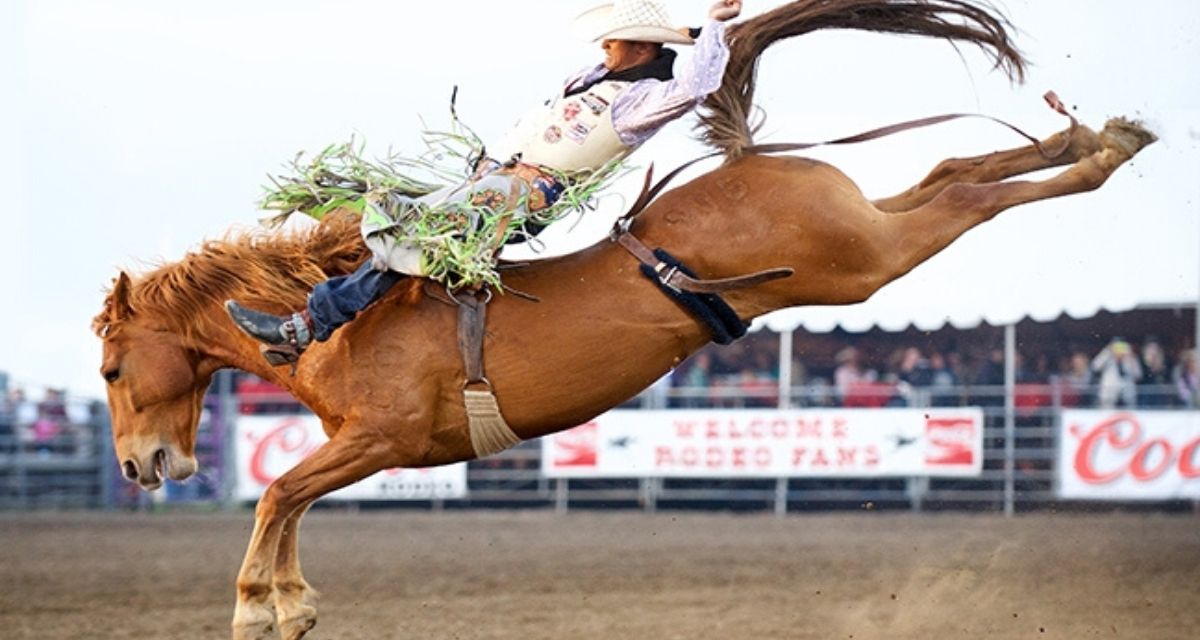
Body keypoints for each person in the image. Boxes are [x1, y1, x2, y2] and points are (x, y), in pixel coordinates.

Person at [226, 0, 744, 365]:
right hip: (492, 184)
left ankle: (309, 325)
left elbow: (697, 84)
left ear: (641, 48)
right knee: (377, 207)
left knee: (418, 234)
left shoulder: (642, 101)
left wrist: (713, 27)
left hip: (524, 197)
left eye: (615, 38)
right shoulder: (593, 79)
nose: (604, 43)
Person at [1091, 337, 1142, 409]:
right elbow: (1095, 366)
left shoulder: (1130, 358)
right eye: (1117, 347)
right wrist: (1107, 351)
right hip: (1109, 397)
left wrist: (1130, 356)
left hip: (1127, 398)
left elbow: (1138, 375)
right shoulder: (1107, 357)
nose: (1119, 350)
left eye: (1121, 347)